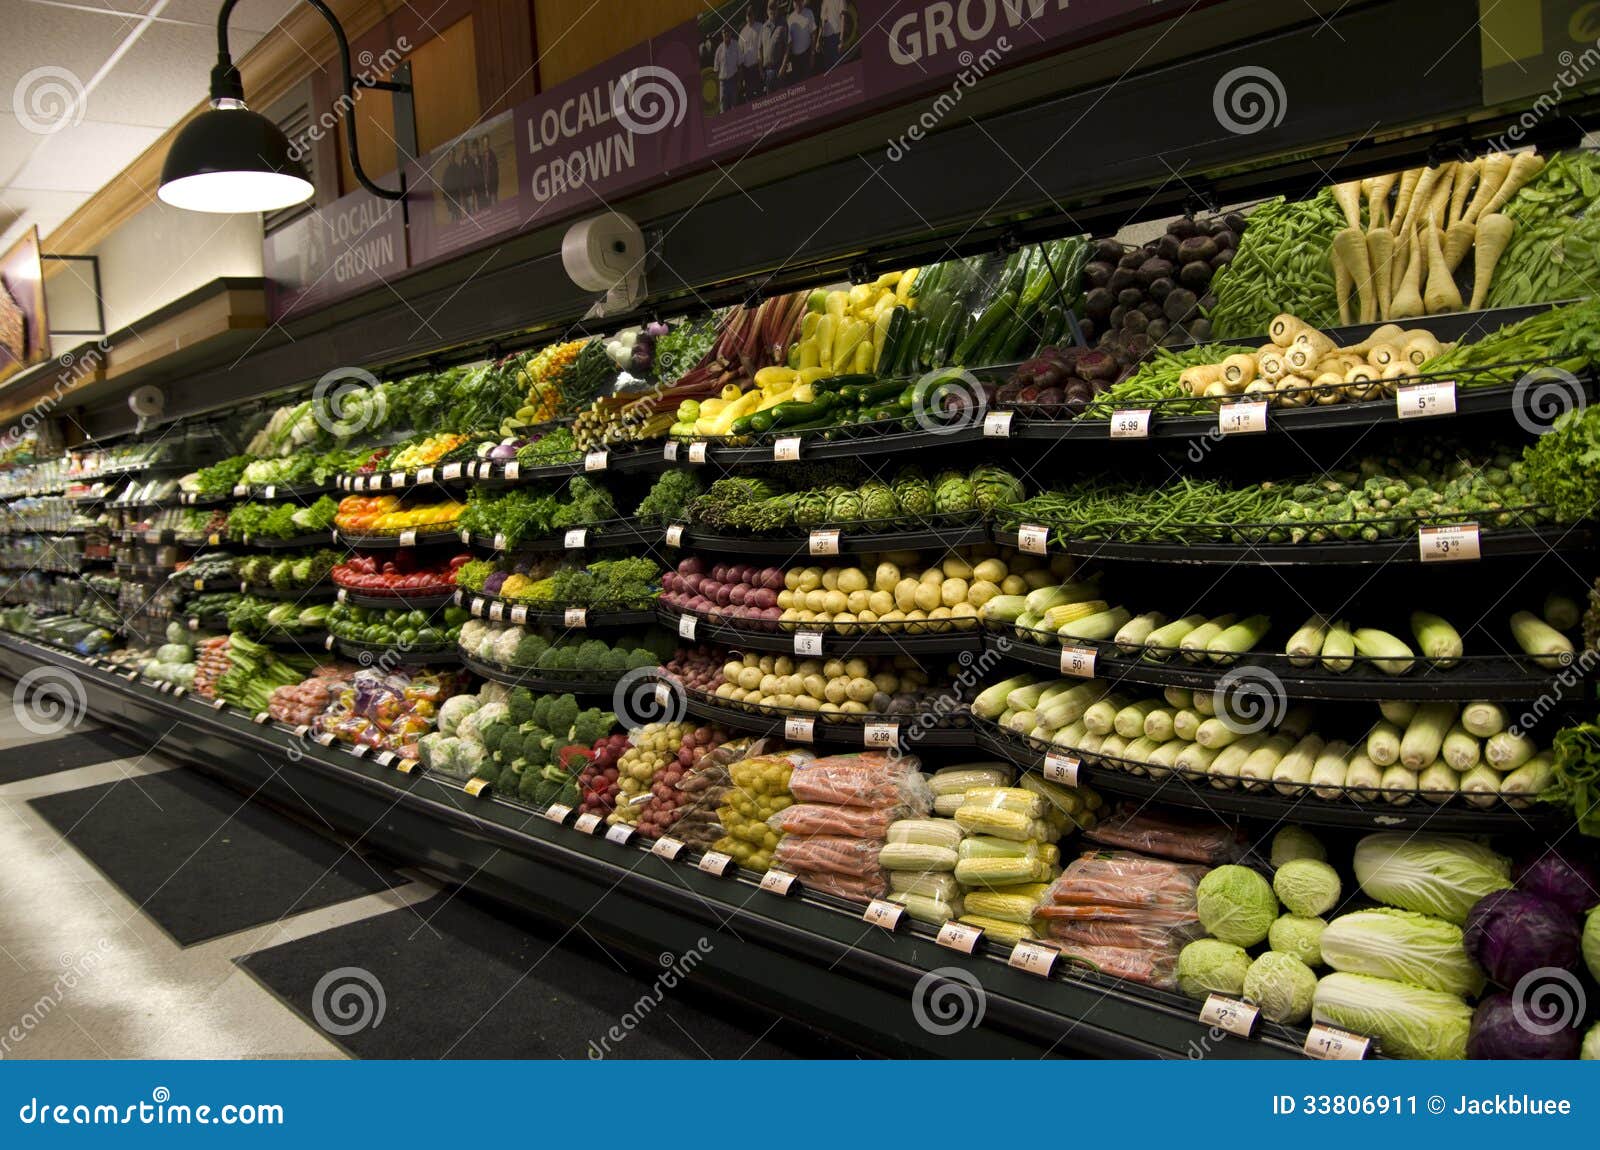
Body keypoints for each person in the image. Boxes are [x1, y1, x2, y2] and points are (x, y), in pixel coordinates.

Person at [783, 0, 816, 83]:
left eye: (799, 1)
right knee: (798, 85)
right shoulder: (790, 18)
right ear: (793, 4)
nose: (797, 4)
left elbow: (813, 34)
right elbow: (788, 41)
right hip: (795, 59)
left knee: (808, 82)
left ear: (802, 2)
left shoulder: (809, 13)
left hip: (806, 55)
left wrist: (812, 54)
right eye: (795, 2)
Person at [760, 0, 788, 93]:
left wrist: (783, 67)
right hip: (767, 72)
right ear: (767, 11)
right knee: (770, 102)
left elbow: (787, 48)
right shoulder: (763, 28)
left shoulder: (783, 24)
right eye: (770, 8)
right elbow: (759, 49)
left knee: (782, 99)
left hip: (779, 69)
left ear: (777, 10)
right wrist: (761, 71)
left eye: (774, 8)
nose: (772, 11)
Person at [738, 5, 763, 103]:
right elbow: (740, 54)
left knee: (760, 94)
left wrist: (761, 67)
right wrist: (742, 76)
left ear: (754, 15)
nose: (750, 17)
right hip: (747, 71)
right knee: (750, 97)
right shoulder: (742, 33)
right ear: (746, 17)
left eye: (751, 14)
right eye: (748, 15)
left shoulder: (760, 27)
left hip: (758, 67)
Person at [714, 26, 739, 113]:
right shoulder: (719, 50)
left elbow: (739, 63)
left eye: (728, 32)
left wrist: (740, 80)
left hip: (733, 80)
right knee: (723, 109)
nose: (726, 34)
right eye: (724, 32)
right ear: (722, 34)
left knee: (735, 107)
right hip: (723, 83)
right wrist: (718, 87)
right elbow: (716, 70)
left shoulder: (736, 45)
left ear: (731, 33)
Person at [818, 0, 845, 72]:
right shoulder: (823, 2)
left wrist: (841, 40)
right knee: (828, 69)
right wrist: (819, 40)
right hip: (825, 40)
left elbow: (843, 18)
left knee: (838, 67)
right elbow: (822, 21)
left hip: (836, 37)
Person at [481, 137, 500, 207]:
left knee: (495, 202)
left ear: (489, 143)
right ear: (483, 144)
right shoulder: (482, 156)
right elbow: (483, 171)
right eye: (485, 142)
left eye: (487, 142)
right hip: (486, 184)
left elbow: (496, 170)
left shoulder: (493, 155)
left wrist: (495, 183)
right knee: (488, 204)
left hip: (493, 183)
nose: (486, 144)